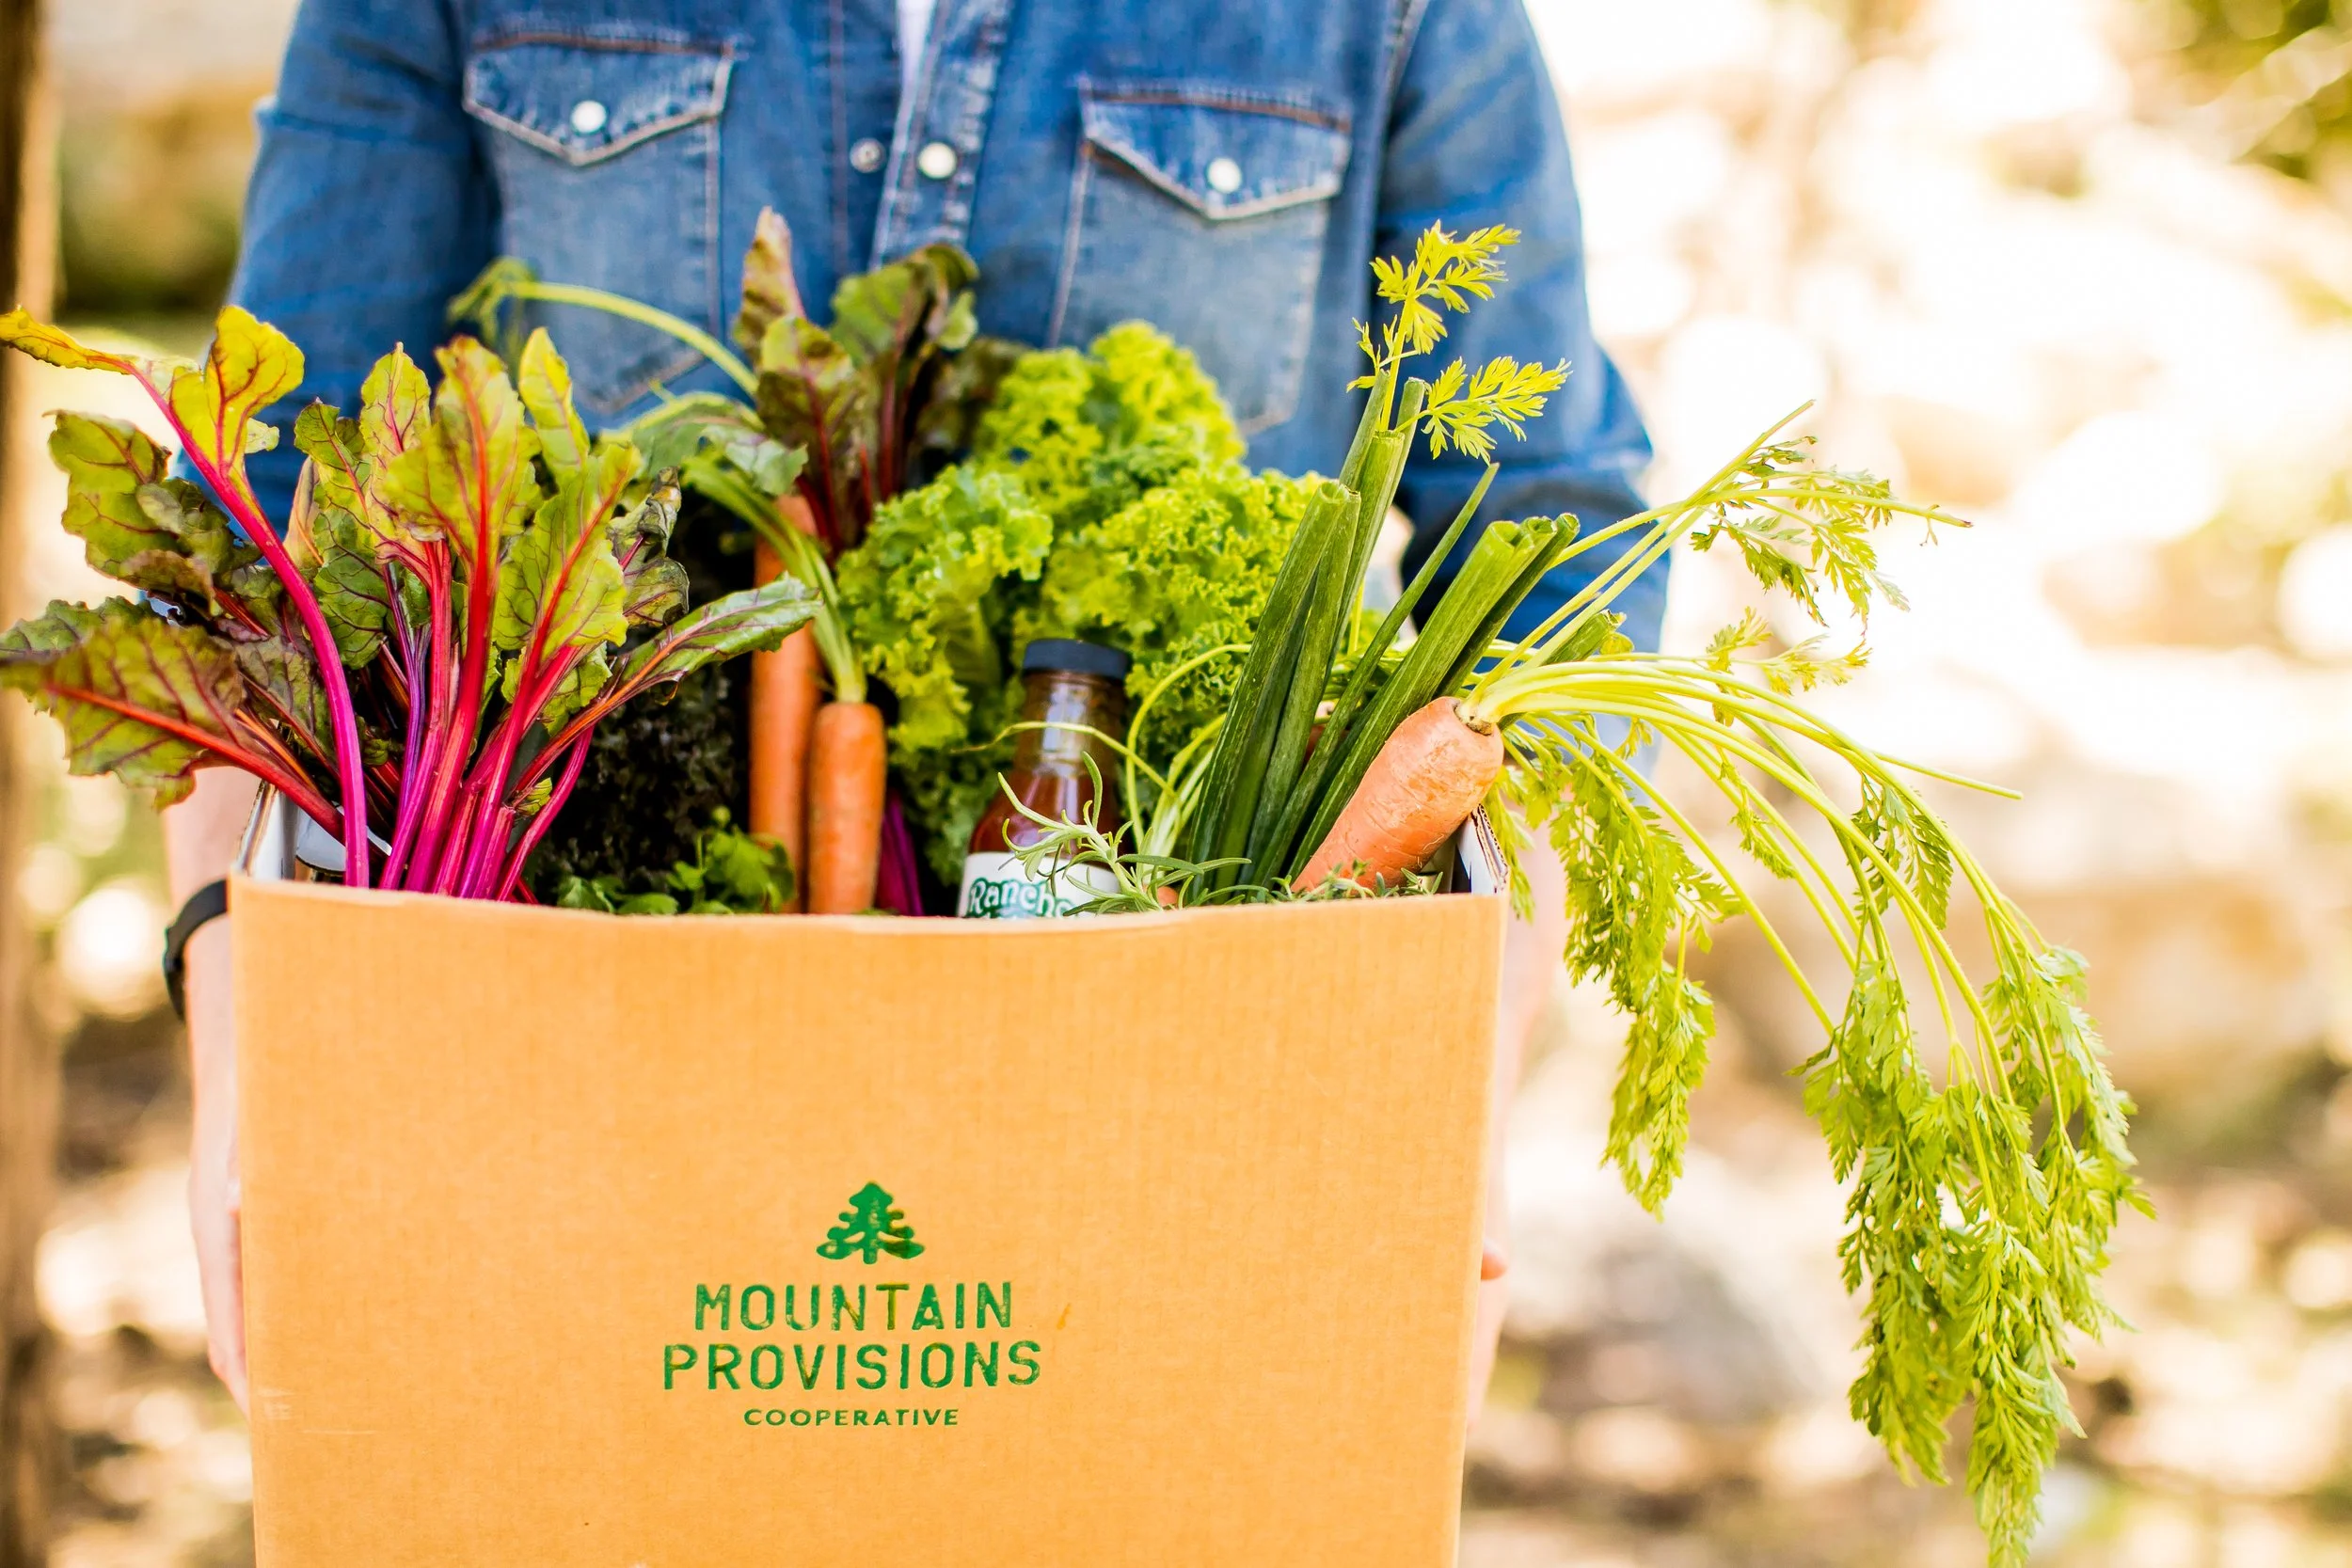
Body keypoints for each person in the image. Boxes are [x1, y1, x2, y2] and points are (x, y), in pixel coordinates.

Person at [167, 0, 1663, 1415]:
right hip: (568, 1121)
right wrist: (240, 1028)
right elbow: (266, 521)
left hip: (1174, 1126)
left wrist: (1455, 1073)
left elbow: (1556, 541)